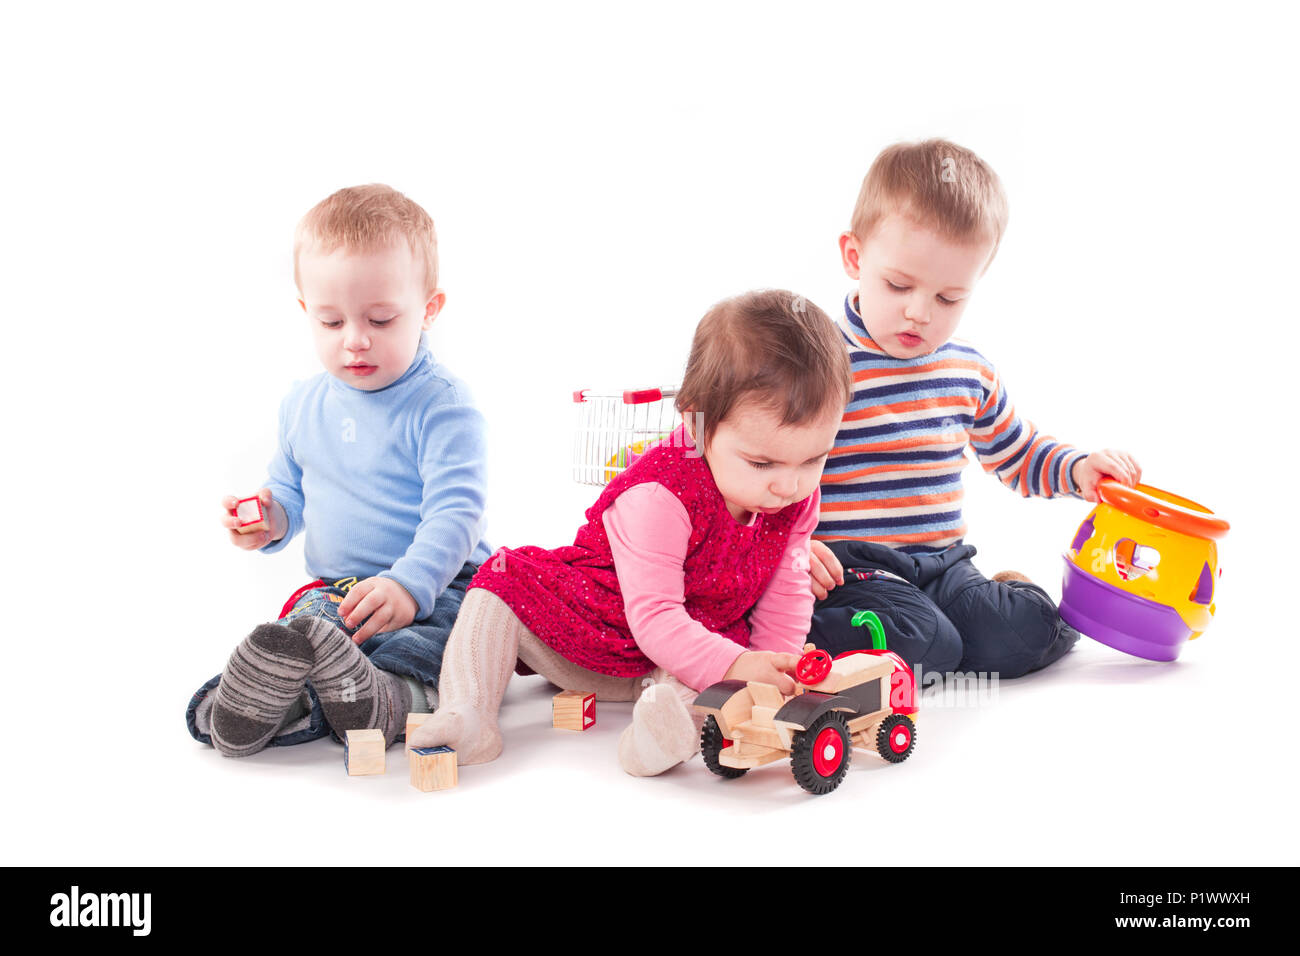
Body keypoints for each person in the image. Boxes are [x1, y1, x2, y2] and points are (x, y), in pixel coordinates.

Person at [409, 290, 851, 776]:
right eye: (761, 462)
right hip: (596, 623)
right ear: (697, 422)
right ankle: (469, 713)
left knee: (701, 681)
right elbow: (655, 616)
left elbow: (784, 589)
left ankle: (657, 739)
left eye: (814, 458)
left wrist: (774, 669)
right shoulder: (659, 494)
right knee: (499, 579)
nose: (789, 485)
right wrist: (734, 664)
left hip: (687, 646)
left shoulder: (794, 494)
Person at [807, 140, 1141, 679]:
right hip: (852, 571)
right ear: (855, 257)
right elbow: (770, 473)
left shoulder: (967, 371)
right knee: (925, 646)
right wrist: (788, 554)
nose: (919, 313)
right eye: (898, 285)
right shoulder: (816, 363)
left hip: (943, 567)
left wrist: (1078, 469)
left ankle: (996, 602)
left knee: (1023, 638)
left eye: (948, 298)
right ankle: (815, 638)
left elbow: (1017, 451)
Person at [186, 184, 492, 756]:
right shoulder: (304, 405)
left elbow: (458, 513)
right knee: (308, 630)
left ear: (428, 309)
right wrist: (269, 519)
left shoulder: (441, 405)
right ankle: (267, 701)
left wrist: (408, 584)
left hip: (442, 581)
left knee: (439, 644)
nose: (354, 340)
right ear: (306, 312)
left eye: (380, 319)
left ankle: (392, 697)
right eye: (330, 322)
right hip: (342, 590)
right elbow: (290, 491)